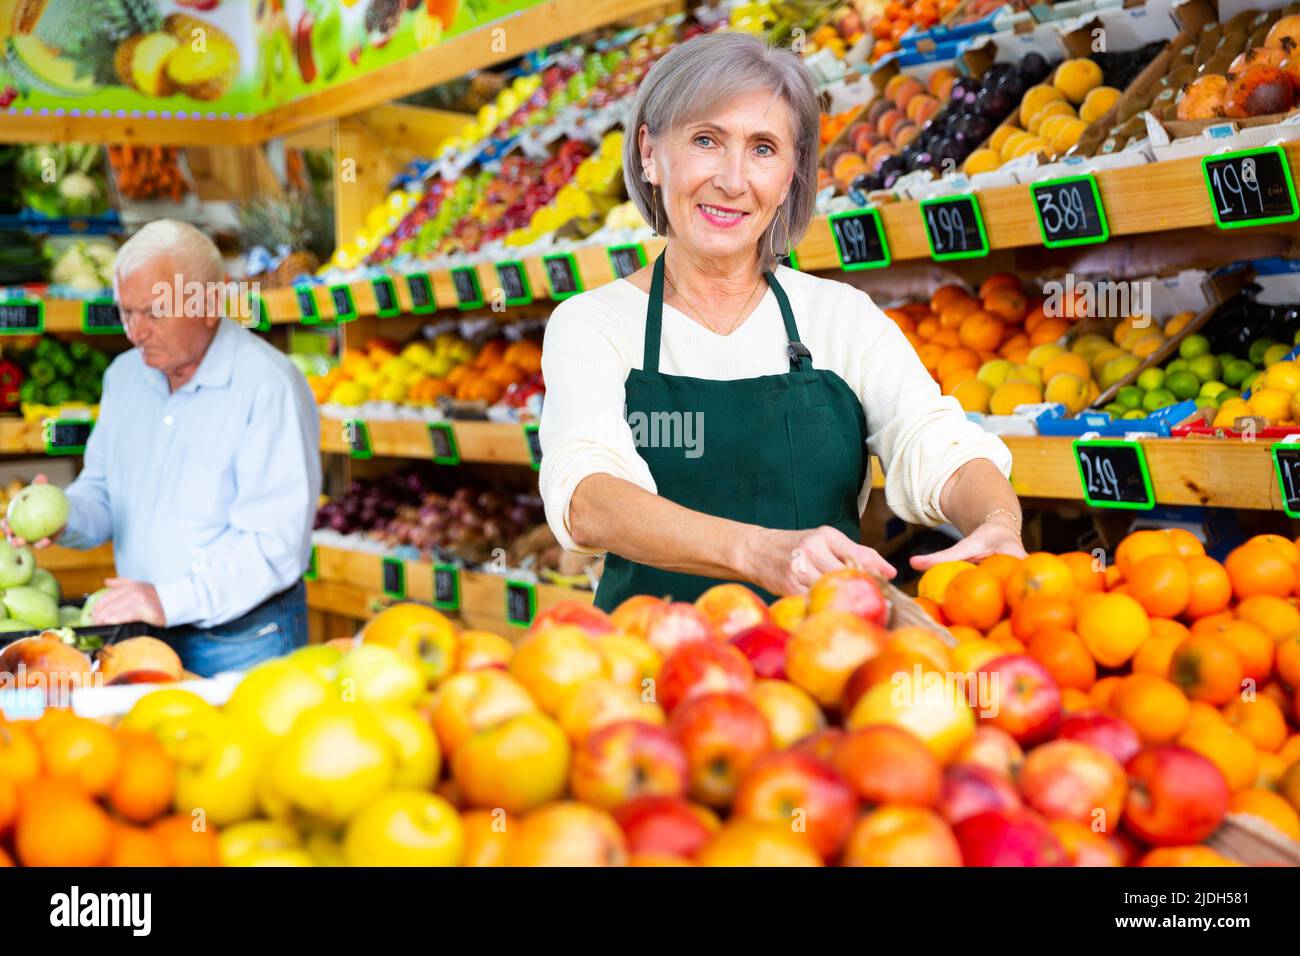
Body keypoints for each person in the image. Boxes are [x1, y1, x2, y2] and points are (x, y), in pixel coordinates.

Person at [539, 32, 1026, 612]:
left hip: (817, 660)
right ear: (649, 154)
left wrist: (997, 520)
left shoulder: (840, 317)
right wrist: (756, 553)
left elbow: (935, 443)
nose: (733, 179)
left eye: (764, 148)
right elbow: (586, 497)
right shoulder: (593, 325)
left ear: (791, 173)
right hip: (648, 667)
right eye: (705, 140)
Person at [6, 220, 321, 676]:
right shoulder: (124, 377)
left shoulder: (268, 387)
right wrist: (65, 515)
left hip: (242, 638)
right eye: (126, 313)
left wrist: (166, 599)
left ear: (210, 305)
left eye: (153, 312)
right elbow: (105, 494)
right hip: (144, 634)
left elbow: (274, 544)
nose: (135, 332)